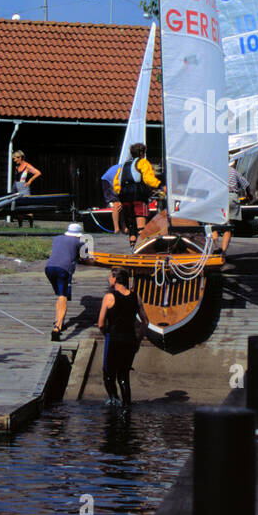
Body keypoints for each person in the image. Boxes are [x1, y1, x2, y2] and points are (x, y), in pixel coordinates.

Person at [97, 268, 149, 408]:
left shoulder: (109, 297)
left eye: (110, 277)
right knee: (123, 376)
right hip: (130, 339)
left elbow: (100, 323)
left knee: (108, 373)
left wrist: (106, 334)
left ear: (115, 279)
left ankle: (114, 401)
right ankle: (127, 407)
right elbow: (146, 321)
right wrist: (138, 340)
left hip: (114, 339)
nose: (109, 280)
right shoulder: (135, 297)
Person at [112, 142, 161, 246]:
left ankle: (132, 245)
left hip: (124, 195)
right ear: (142, 152)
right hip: (138, 194)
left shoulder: (124, 165)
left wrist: (119, 194)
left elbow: (116, 183)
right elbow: (148, 179)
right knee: (140, 223)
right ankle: (142, 247)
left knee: (131, 225)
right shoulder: (143, 162)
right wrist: (160, 185)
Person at [45, 222, 84, 341]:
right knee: (63, 296)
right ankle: (57, 328)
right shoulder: (80, 241)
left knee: (60, 295)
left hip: (49, 268)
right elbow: (86, 256)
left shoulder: (57, 238)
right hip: (63, 269)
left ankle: (59, 322)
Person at [214, 162, 254, 255]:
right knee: (228, 227)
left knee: (213, 224)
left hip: (219, 196)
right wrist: (249, 195)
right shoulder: (234, 172)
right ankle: (223, 252)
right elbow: (246, 184)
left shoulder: (217, 171)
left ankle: (217, 247)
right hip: (232, 196)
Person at [101, 161, 124, 234]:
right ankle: (116, 228)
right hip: (109, 181)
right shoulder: (125, 172)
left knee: (123, 204)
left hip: (116, 180)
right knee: (117, 204)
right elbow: (118, 184)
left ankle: (124, 228)